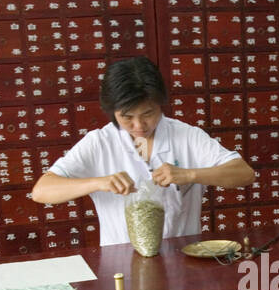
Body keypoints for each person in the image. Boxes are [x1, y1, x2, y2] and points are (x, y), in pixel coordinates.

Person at [31, 56, 255, 245]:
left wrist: (190, 174)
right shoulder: (99, 142)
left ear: (160, 104)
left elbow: (245, 173)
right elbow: (42, 190)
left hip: (183, 260)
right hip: (121, 264)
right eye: (127, 117)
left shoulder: (187, 136)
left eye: (148, 114)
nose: (139, 126)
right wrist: (98, 183)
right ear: (112, 112)